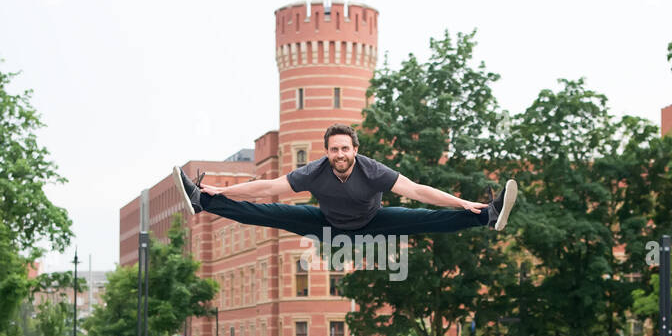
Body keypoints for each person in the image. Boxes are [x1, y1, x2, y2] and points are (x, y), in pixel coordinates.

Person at [171, 123, 517, 240]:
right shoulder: (315, 171)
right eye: (334, 149)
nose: (339, 154)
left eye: (345, 149)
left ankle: (487, 214)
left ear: (355, 149)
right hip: (327, 223)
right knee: (269, 211)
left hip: (372, 223)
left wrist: (461, 201)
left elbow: (416, 191)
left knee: (424, 219)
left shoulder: (372, 170)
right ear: (327, 151)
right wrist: (222, 189)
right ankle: (202, 200)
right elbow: (269, 187)